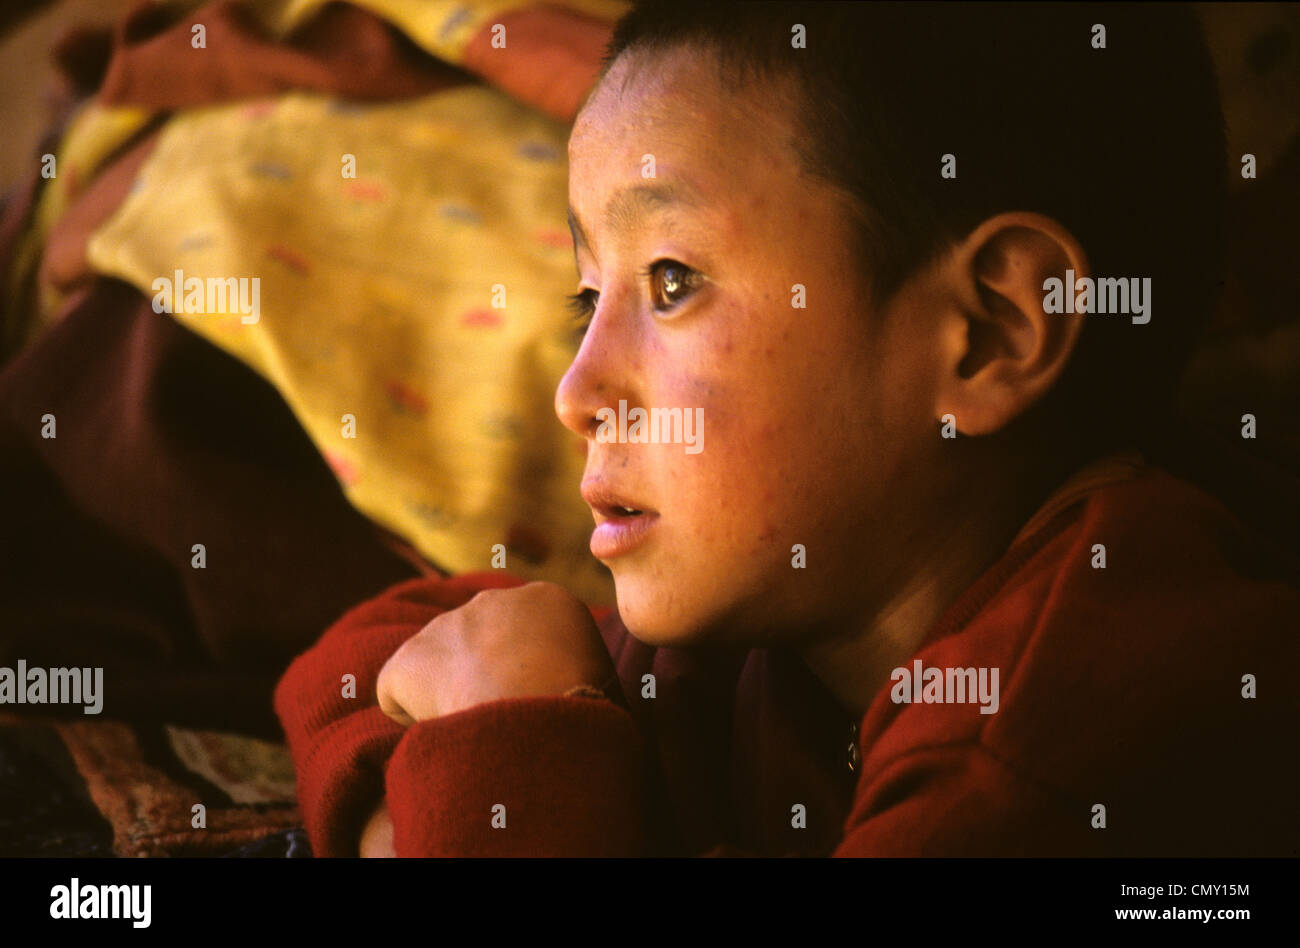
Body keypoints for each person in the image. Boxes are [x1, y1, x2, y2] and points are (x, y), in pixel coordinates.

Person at [274, 1, 1300, 857]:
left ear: (989, 333)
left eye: (671, 282)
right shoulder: (791, 618)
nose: (577, 393)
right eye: (589, 299)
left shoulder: (1051, 745)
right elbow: (382, 648)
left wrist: (499, 773)